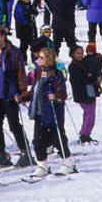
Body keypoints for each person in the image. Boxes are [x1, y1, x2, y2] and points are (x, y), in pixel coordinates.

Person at [0, 26, 32, 170]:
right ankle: (1, 153)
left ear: (3, 36)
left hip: (10, 94)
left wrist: (22, 93)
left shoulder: (13, 52)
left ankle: (25, 152)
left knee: (14, 125)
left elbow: (21, 73)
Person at [27, 47, 76, 175]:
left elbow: (63, 94)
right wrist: (23, 97)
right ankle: (42, 165)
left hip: (52, 112)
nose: (39, 60)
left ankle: (68, 163)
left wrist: (56, 96)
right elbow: (34, 91)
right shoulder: (38, 72)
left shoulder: (57, 75)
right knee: (38, 140)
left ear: (49, 59)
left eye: (42, 57)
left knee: (58, 139)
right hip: (39, 112)